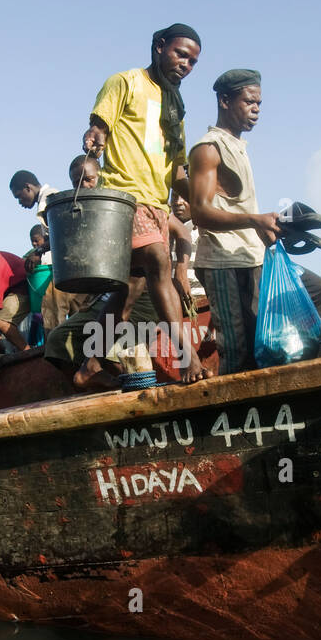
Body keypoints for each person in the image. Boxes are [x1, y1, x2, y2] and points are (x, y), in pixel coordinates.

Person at [81, 22, 207, 382]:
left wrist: (205, 203)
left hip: (157, 204)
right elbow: (99, 124)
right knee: (157, 267)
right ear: (159, 46)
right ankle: (188, 357)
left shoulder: (175, 109)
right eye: (180, 54)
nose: (186, 64)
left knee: (128, 291)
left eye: (193, 61)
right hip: (124, 197)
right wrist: (94, 135)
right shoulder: (126, 82)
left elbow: (176, 171)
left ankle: (89, 364)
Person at [187, 69, 281, 375]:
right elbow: (199, 212)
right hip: (222, 261)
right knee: (238, 351)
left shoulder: (238, 147)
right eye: (249, 102)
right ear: (225, 100)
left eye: (259, 104)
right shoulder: (209, 149)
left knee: (262, 345)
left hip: (250, 257)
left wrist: (265, 227)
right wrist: (254, 219)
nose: (256, 109)